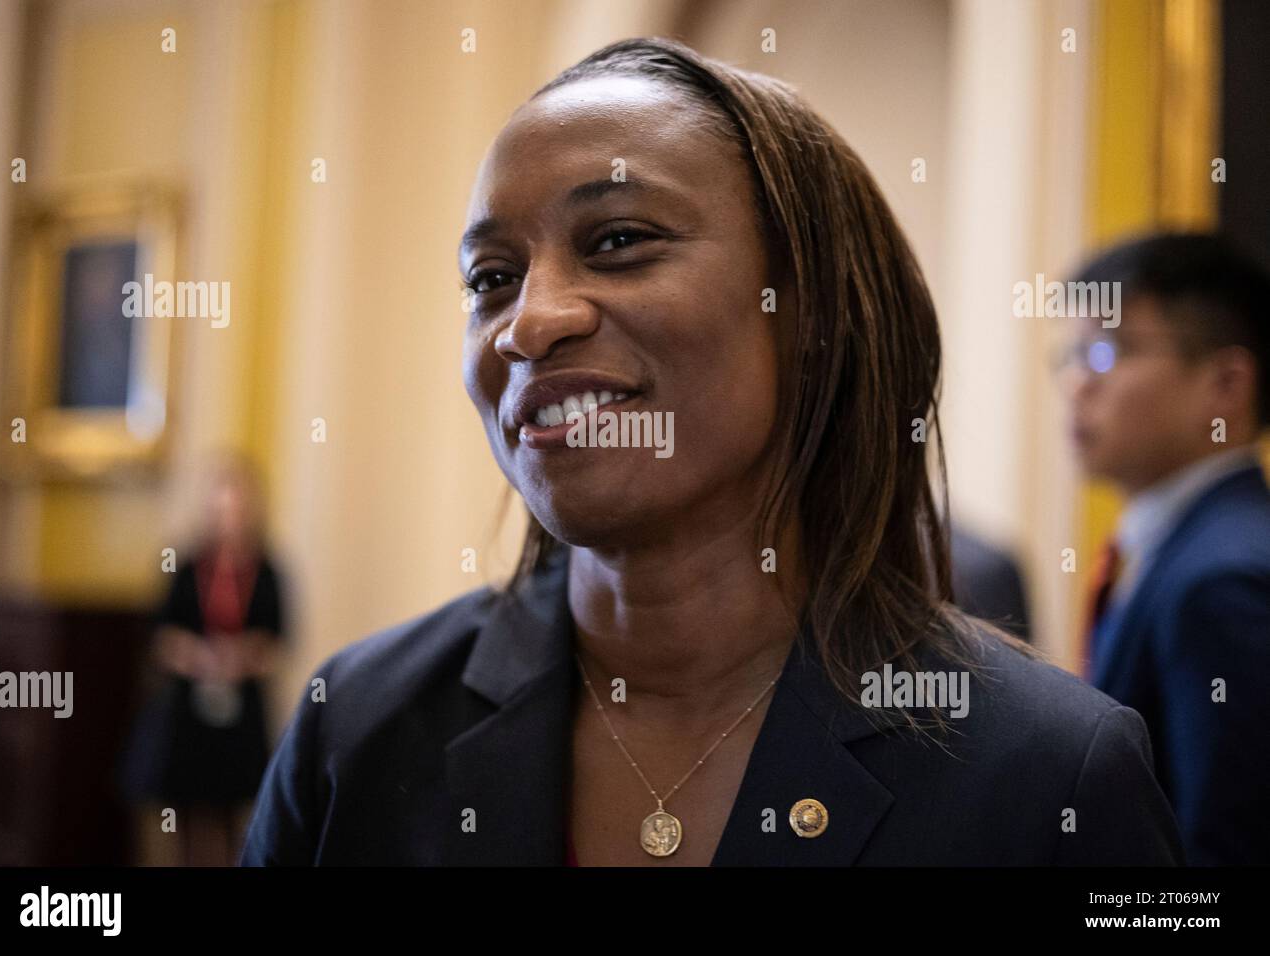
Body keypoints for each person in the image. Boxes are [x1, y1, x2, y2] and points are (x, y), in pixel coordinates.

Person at [241, 37, 1181, 866]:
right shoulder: (356, 727)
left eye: (616, 241)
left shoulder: (1050, 770)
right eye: (492, 277)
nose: (530, 323)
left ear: (807, 311)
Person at [1063, 232, 1270, 865]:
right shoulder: (1174, 547)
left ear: (1226, 385)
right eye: (1071, 356)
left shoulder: (1222, 579)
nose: (1077, 384)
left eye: (1107, 351)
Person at [121, 453, 286, 866]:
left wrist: (240, 657)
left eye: (238, 509)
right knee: (185, 821)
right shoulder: (186, 565)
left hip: (240, 711)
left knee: (236, 820)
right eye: (222, 509)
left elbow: (278, 640)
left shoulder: (267, 571)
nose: (230, 519)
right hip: (188, 712)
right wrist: (198, 657)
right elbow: (160, 636)